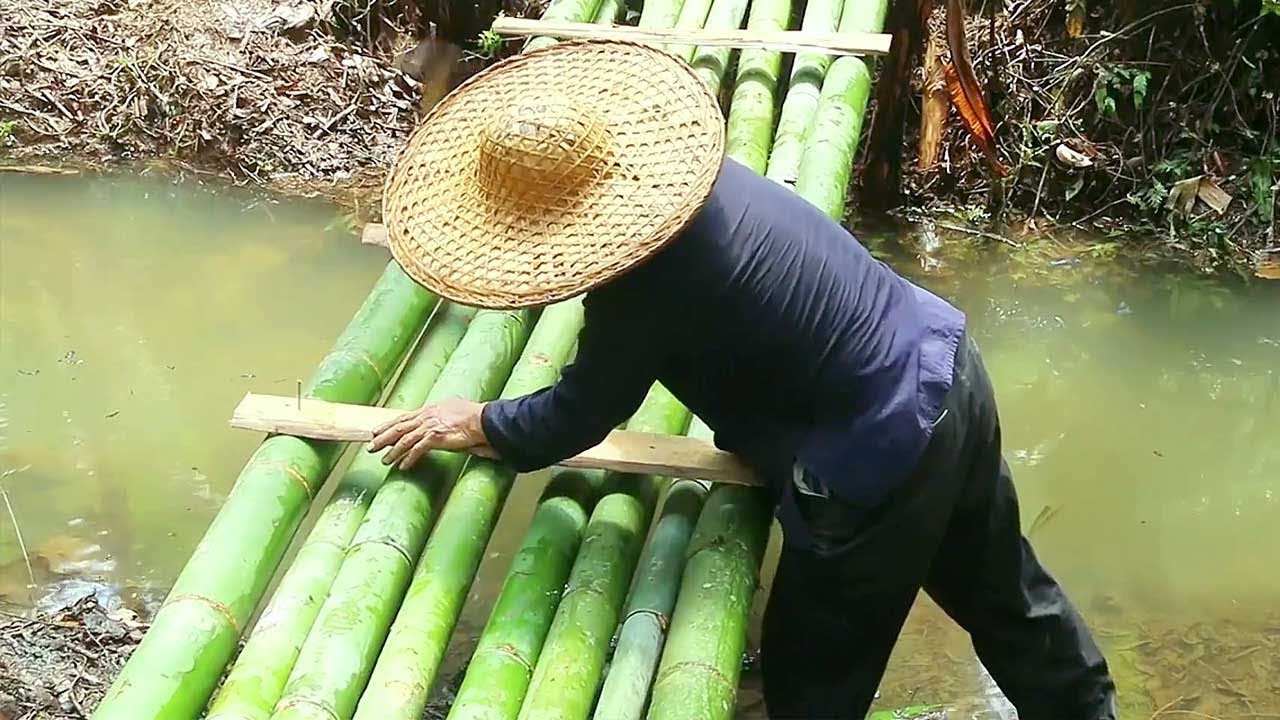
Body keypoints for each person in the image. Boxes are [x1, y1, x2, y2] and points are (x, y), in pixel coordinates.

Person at [369, 40, 1117, 719]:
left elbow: (579, 411)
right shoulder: (699, 183)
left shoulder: (643, 284)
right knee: (1006, 597)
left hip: (878, 453)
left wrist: (479, 422)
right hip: (943, 365)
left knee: (812, 678)